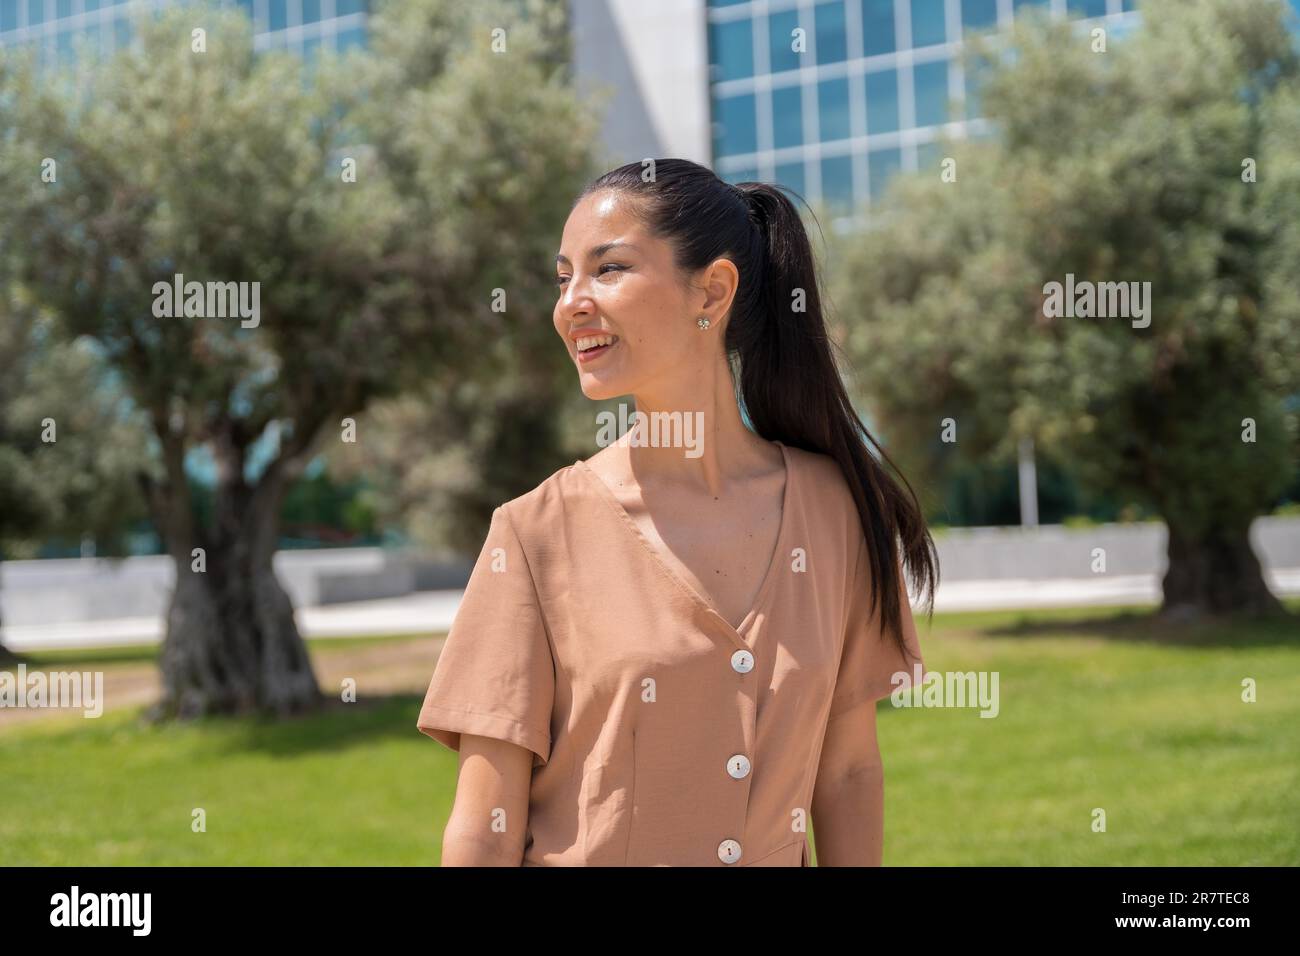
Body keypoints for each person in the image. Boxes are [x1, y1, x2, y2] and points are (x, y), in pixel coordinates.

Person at [416, 158, 937, 866]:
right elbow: (485, 826)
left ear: (713, 290)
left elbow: (846, 771)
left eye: (608, 269)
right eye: (562, 276)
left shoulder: (835, 511)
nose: (570, 303)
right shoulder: (534, 533)